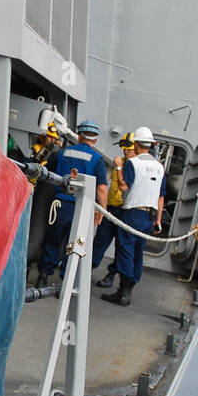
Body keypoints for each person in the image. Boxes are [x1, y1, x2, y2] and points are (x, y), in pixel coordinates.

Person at [35, 119, 108, 288]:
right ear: (95, 139)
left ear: (79, 135)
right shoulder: (97, 159)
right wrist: (101, 209)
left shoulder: (62, 152)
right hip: (81, 207)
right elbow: (102, 188)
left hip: (59, 205)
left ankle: (43, 276)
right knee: (74, 244)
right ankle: (66, 283)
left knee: (53, 240)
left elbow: (49, 175)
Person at [101, 125, 166, 307]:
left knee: (125, 250)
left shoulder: (133, 163)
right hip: (149, 216)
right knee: (138, 252)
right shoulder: (159, 167)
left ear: (137, 144)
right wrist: (158, 221)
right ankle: (130, 287)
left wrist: (120, 168)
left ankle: (124, 291)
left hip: (132, 213)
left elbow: (123, 187)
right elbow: (161, 197)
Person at [94, 133, 137, 288]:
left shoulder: (134, 166)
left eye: (129, 148)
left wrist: (120, 168)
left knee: (122, 245)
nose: (125, 151)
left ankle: (112, 274)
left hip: (125, 211)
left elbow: (124, 186)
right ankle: (87, 267)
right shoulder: (119, 162)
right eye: (124, 148)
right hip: (111, 208)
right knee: (100, 239)